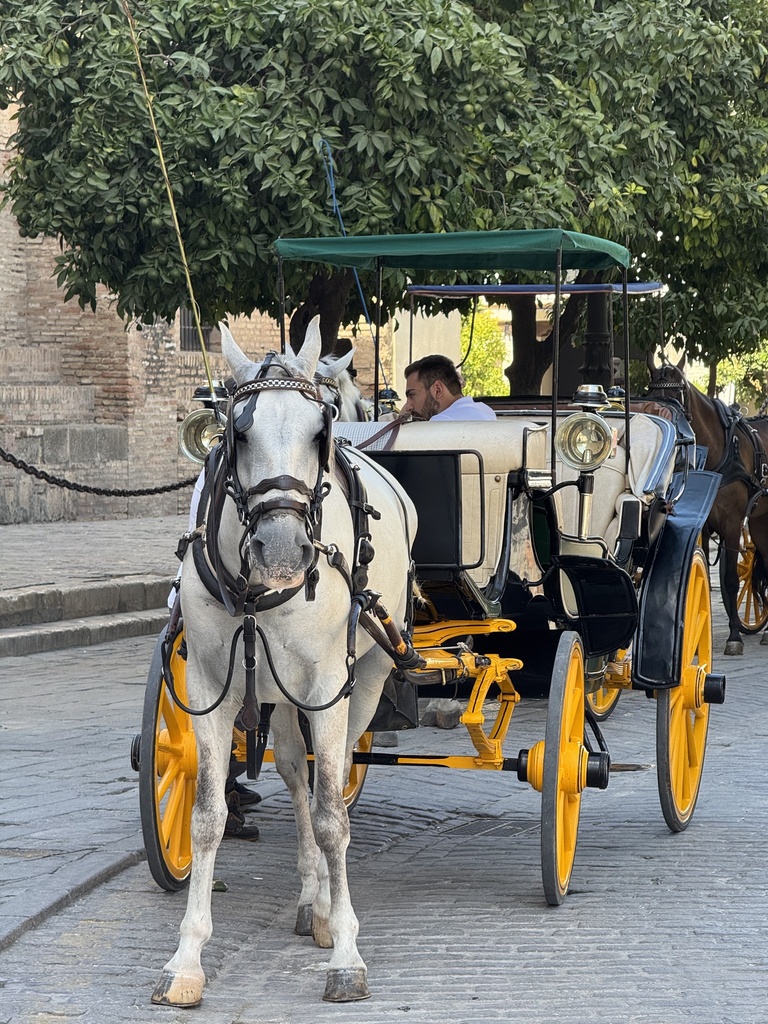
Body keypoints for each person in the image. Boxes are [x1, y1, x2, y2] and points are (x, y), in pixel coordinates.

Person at [403, 355, 496, 422]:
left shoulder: (441, 422)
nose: (408, 407)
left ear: (438, 390)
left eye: (412, 395)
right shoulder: (486, 411)